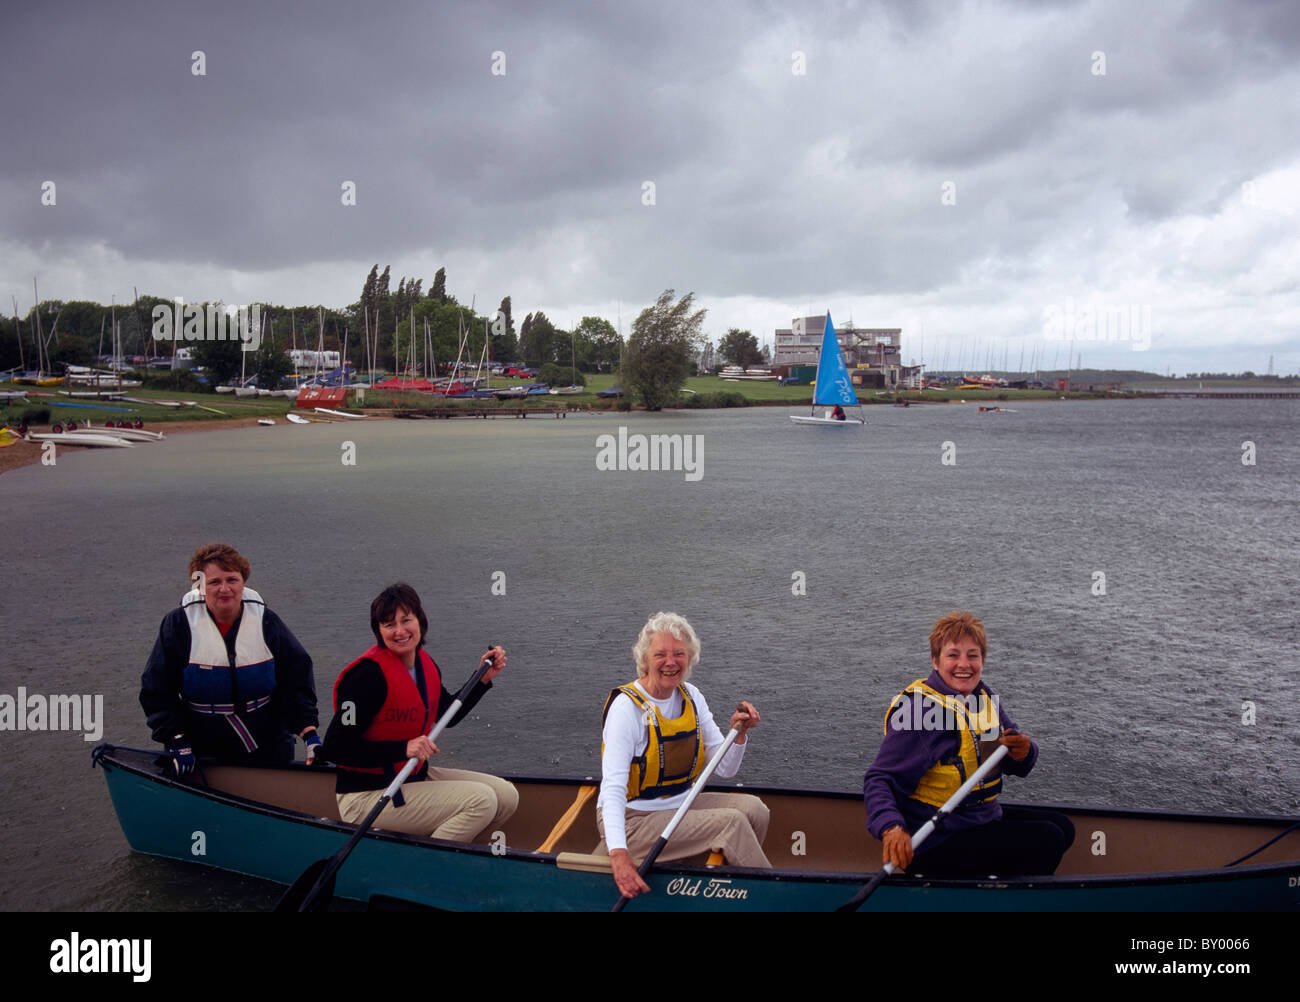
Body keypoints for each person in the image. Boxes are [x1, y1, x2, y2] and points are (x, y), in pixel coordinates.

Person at [863, 611, 1074, 877]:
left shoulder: (982, 698)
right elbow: (879, 779)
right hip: (936, 840)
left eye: (972, 655)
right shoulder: (921, 714)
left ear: (982, 661)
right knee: (1048, 839)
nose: (964, 664)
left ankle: (993, 886)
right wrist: (891, 827)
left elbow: (1013, 761)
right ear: (935, 661)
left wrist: (1024, 751)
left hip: (977, 819)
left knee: (1064, 827)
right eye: (953, 655)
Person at [323, 583, 518, 843]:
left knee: (505, 797)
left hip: (411, 779)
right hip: (366, 796)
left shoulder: (425, 665)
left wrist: (481, 679)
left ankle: (455, 850)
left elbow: (449, 715)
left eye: (406, 620)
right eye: (389, 624)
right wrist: (403, 748)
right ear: (379, 631)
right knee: (480, 801)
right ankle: (428, 870)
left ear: (420, 621)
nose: (400, 631)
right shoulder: (365, 678)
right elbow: (335, 748)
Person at [598, 611, 771, 900]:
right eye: (660, 654)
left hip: (678, 806)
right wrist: (619, 855)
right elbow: (613, 789)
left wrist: (739, 734)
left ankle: (729, 891)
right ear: (645, 659)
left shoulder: (690, 695)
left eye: (679, 653)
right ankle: (772, 896)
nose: (670, 662)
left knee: (754, 809)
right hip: (634, 822)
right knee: (731, 823)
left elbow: (725, 768)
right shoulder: (626, 709)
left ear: (689, 658)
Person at [141, 543, 320, 774]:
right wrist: (176, 739)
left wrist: (310, 734)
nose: (224, 589)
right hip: (199, 743)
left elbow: (296, 678)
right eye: (214, 582)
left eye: (232, 580)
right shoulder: (178, 625)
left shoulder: (267, 620)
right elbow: (156, 689)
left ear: (243, 582)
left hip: (266, 740)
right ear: (199, 586)